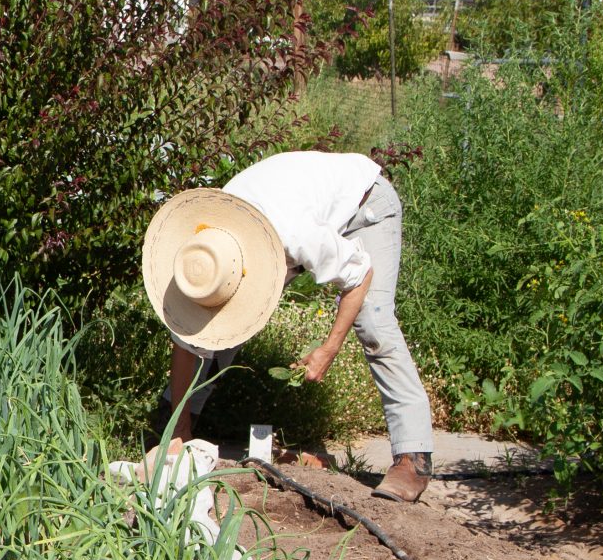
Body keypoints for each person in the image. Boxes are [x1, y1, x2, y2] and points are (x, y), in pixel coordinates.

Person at [148, 149, 435, 502]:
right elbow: (186, 339)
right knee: (214, 322)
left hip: (365, 206)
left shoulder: (295, 234)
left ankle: (413, 458)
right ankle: (174, 424)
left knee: (373, 322)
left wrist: (329, 349)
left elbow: (360, 275)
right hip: (286, 217)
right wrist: (178, 437)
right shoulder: (208, 245)